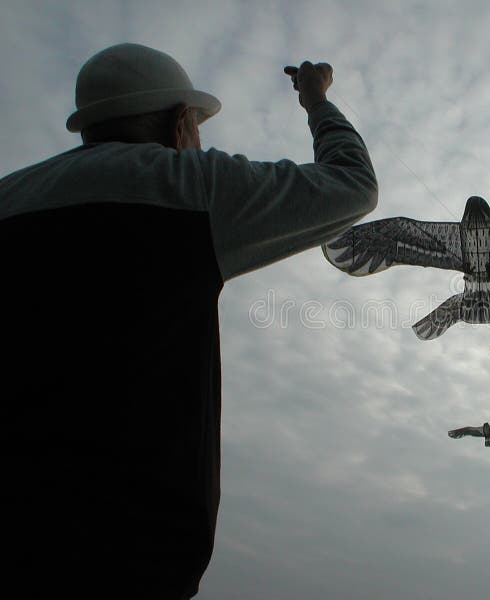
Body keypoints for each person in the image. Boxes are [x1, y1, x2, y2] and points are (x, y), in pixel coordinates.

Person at [1, 43, 377, 599]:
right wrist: (316, 102)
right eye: (196, 128)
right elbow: (352, 185)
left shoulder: (10, 198)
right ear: (181, 126)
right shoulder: (190, 186)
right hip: (132, 558)